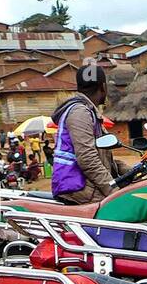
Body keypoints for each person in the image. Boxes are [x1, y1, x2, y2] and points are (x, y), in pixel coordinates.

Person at [51, 63, 120, 204]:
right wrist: (114, 191)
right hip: (78, 188)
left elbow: (103, 158)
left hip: (82, 185)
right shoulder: (80, 112)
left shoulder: (87, 111)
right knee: (129, 213)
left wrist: (135, 172)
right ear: (103, 87)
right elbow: (87, 158)